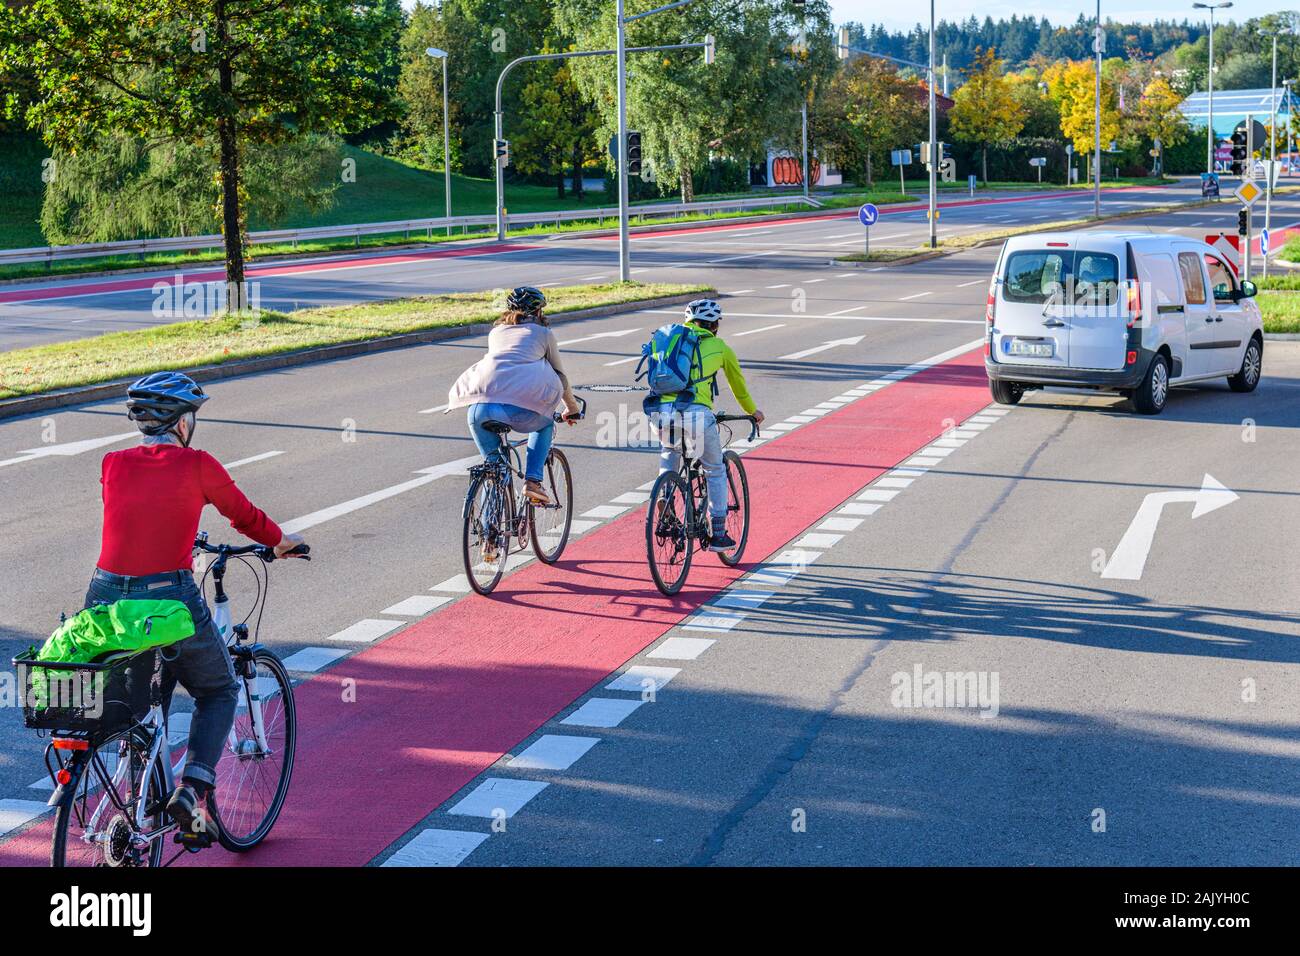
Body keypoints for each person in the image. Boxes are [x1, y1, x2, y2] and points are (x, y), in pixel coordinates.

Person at [90, 371, 305, 841]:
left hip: (105, 600)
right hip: (166, 597)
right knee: (218, 690)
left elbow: (138, 518)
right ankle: (191, 790)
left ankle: (144, 793)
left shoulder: (112, 463)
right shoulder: (198, 464)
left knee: (139, 705)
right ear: (182, 423)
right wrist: (282, 543)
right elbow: (244, 515)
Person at [448, 286, 582, 506]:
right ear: (539, 311)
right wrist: (572, 408)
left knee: (494, 469)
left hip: (478, 409)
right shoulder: (543, 333)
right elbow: (559, 376)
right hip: (521, 406)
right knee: (545, 424)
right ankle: (533, 482)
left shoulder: (496, 332)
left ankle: (488, 534)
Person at [652, 299, 764, 551]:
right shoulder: (720, 347)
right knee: (715, 469)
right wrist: (752, 412)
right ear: (714, 325)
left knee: (670, 451)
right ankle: (719, 533)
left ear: (688, 321)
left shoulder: (668, 340)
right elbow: (739, 387)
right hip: (696, 415)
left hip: (659, 412)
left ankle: (665, 496)